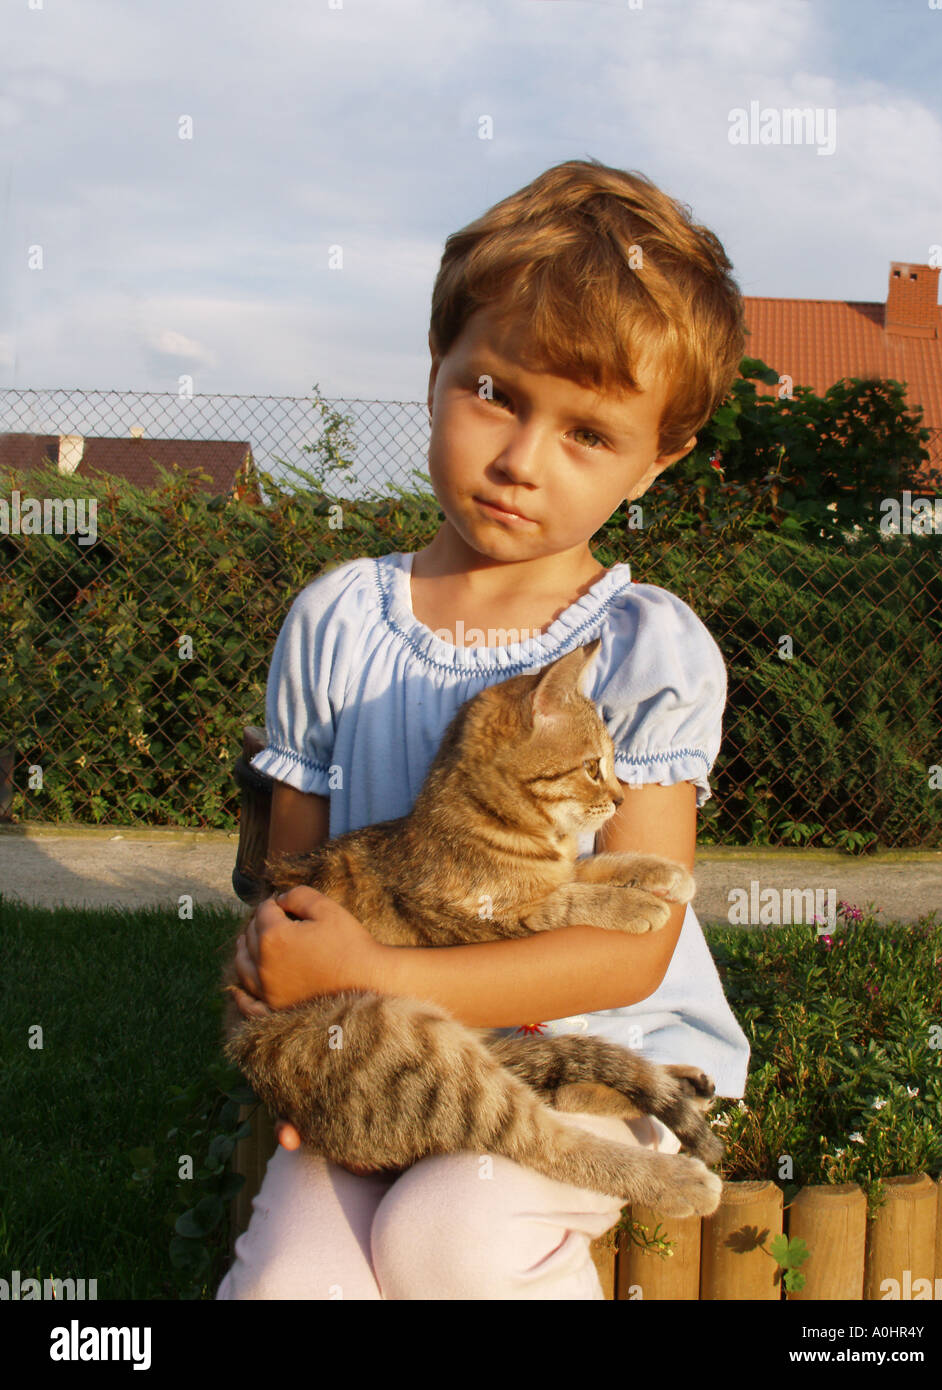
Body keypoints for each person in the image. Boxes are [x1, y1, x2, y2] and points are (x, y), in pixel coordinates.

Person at [217, 156, 750, 1301]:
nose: (518, 461)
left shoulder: (642, 649)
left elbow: (633, 940)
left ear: (658, 457)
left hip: (593, 1059)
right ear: (436, 366)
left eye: (588, 435)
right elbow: (289, 879)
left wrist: (369, 970)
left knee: (446, 1238)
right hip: (387, 1056)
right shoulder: (333, 622)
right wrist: (310, 1028)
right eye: (494, 392)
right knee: (289, 1281)